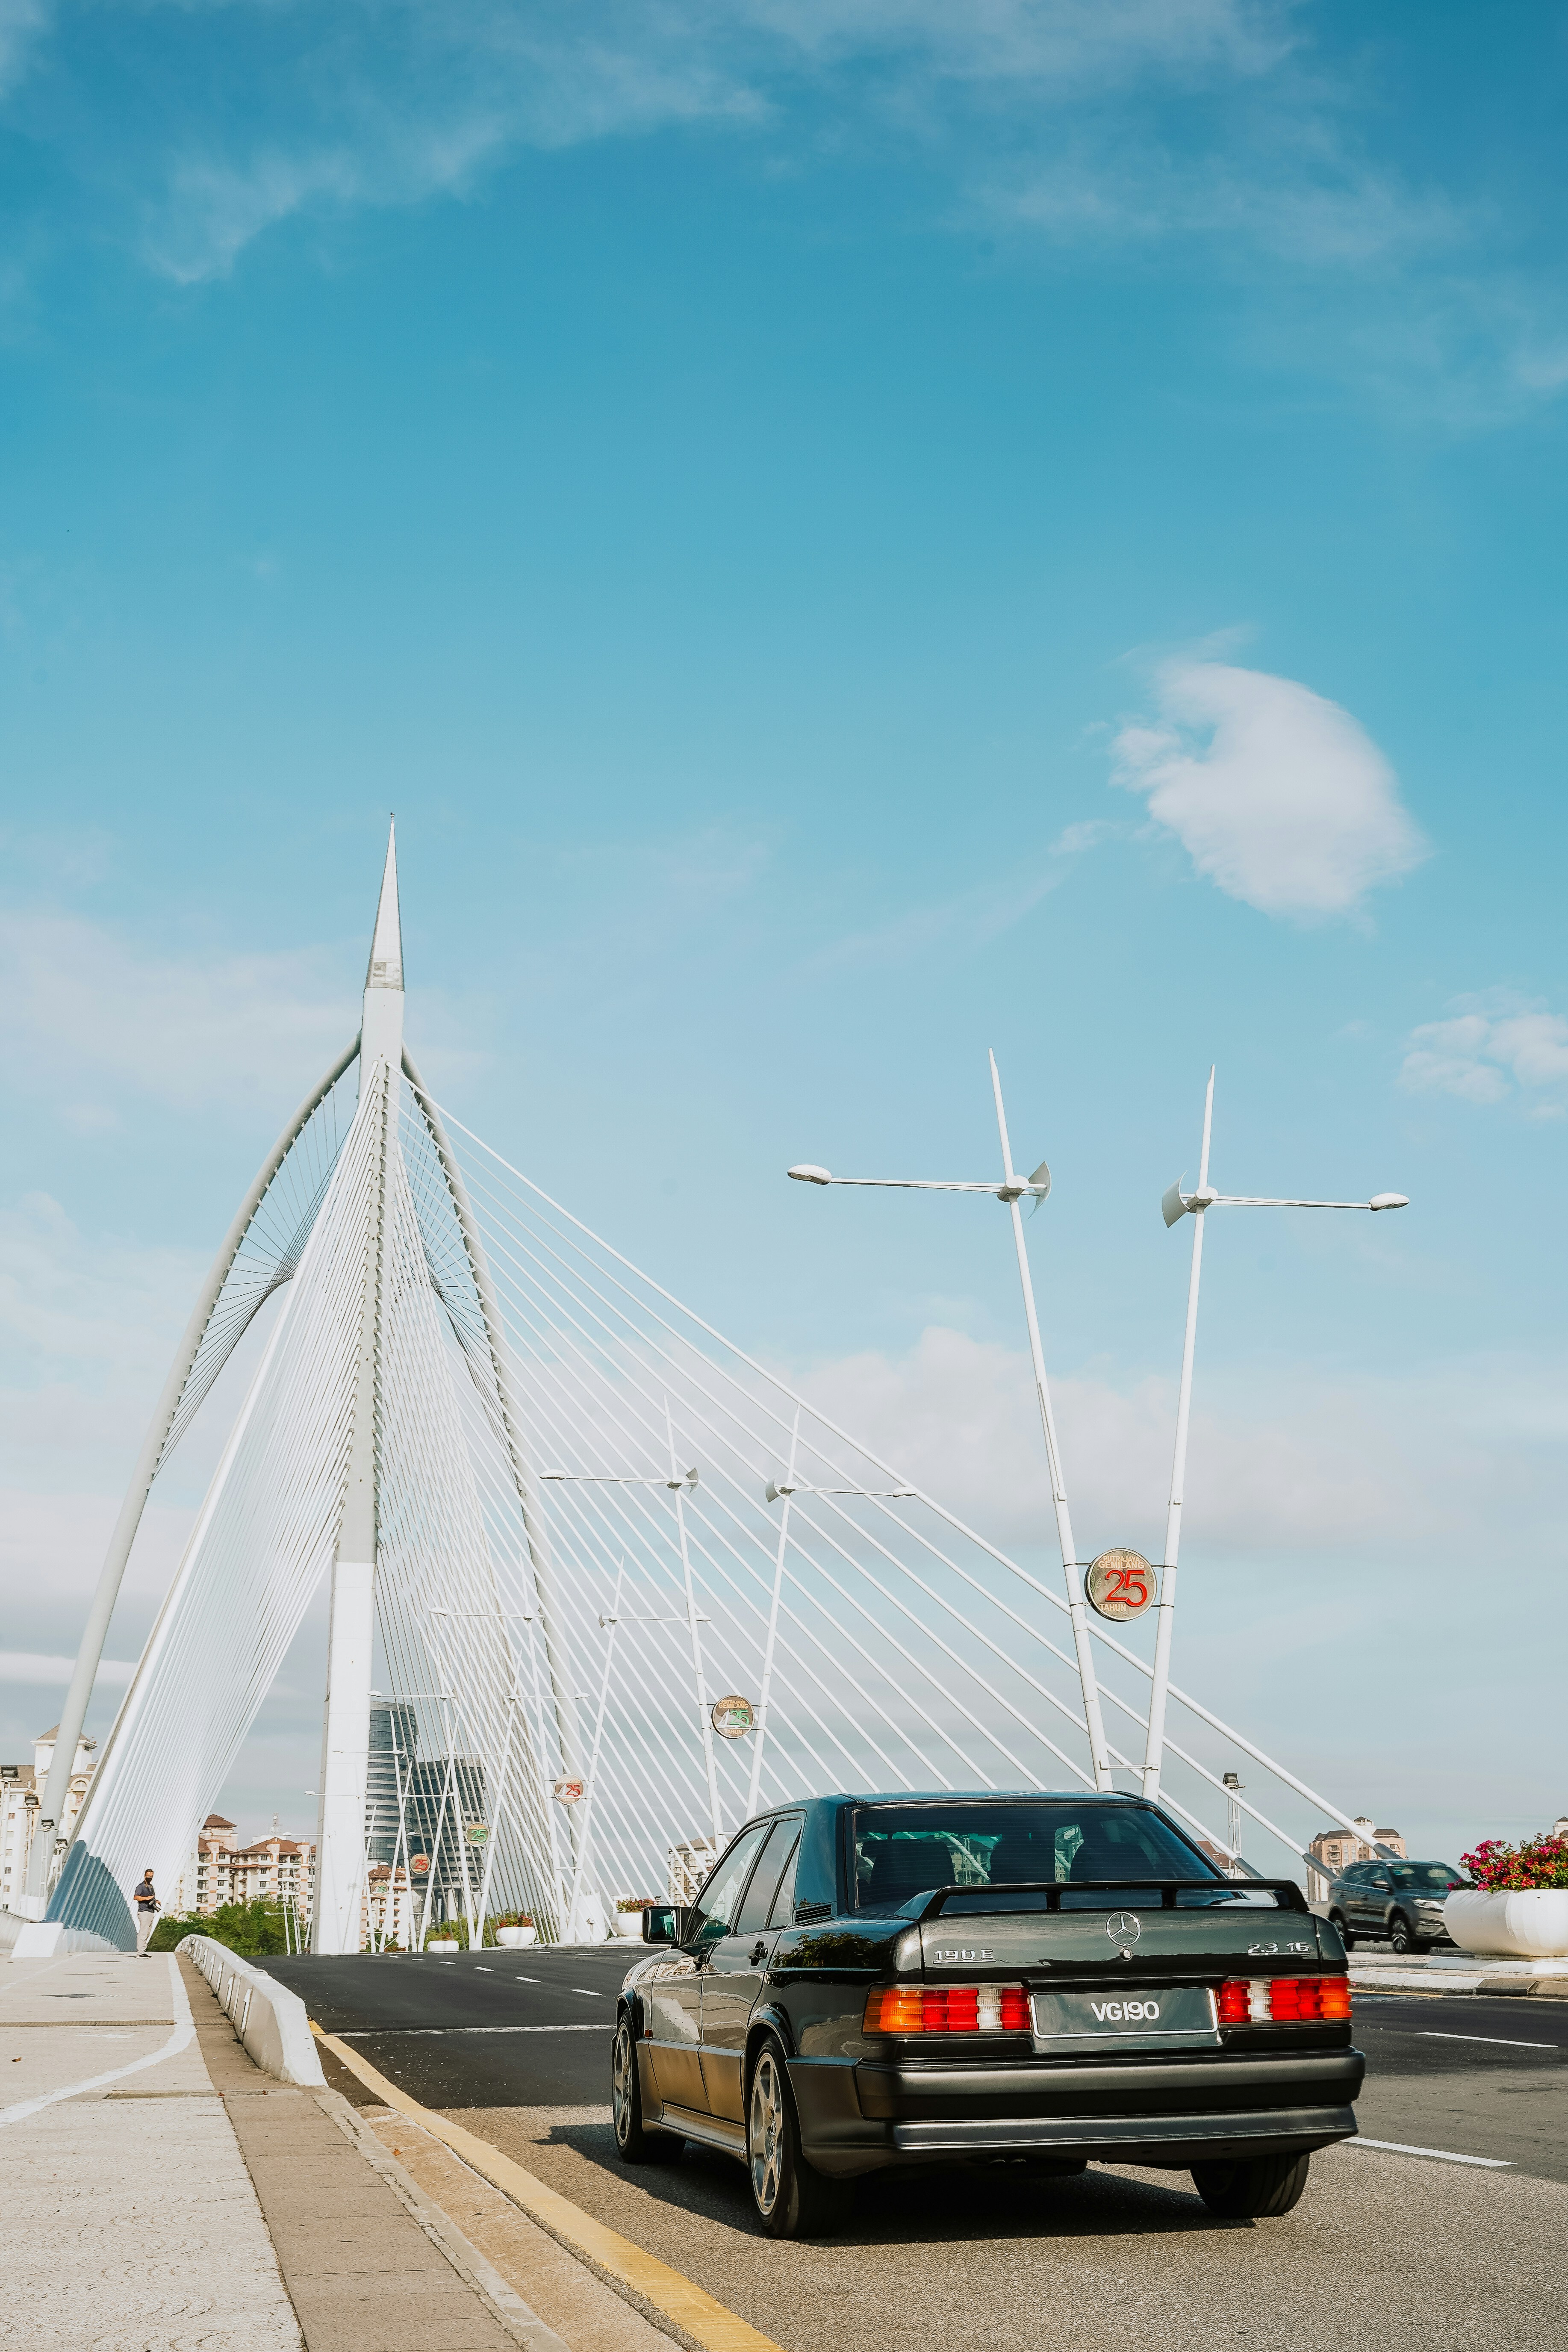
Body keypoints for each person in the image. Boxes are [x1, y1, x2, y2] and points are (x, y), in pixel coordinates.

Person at [133, 1868, 159, 1954]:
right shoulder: (141, 1887)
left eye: (151, 1877)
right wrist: (146, 1898)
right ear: (145, 1876)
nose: (149, 1878)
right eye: (148, 1877)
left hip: (151, 1911)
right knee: (143, 1932)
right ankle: (140, 1952)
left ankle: (143, 1950)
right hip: (144, 1911)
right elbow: (136, 1897)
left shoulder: (151, 1887)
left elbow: (152, 1898)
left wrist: (156, 1901)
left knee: (147, 1933)